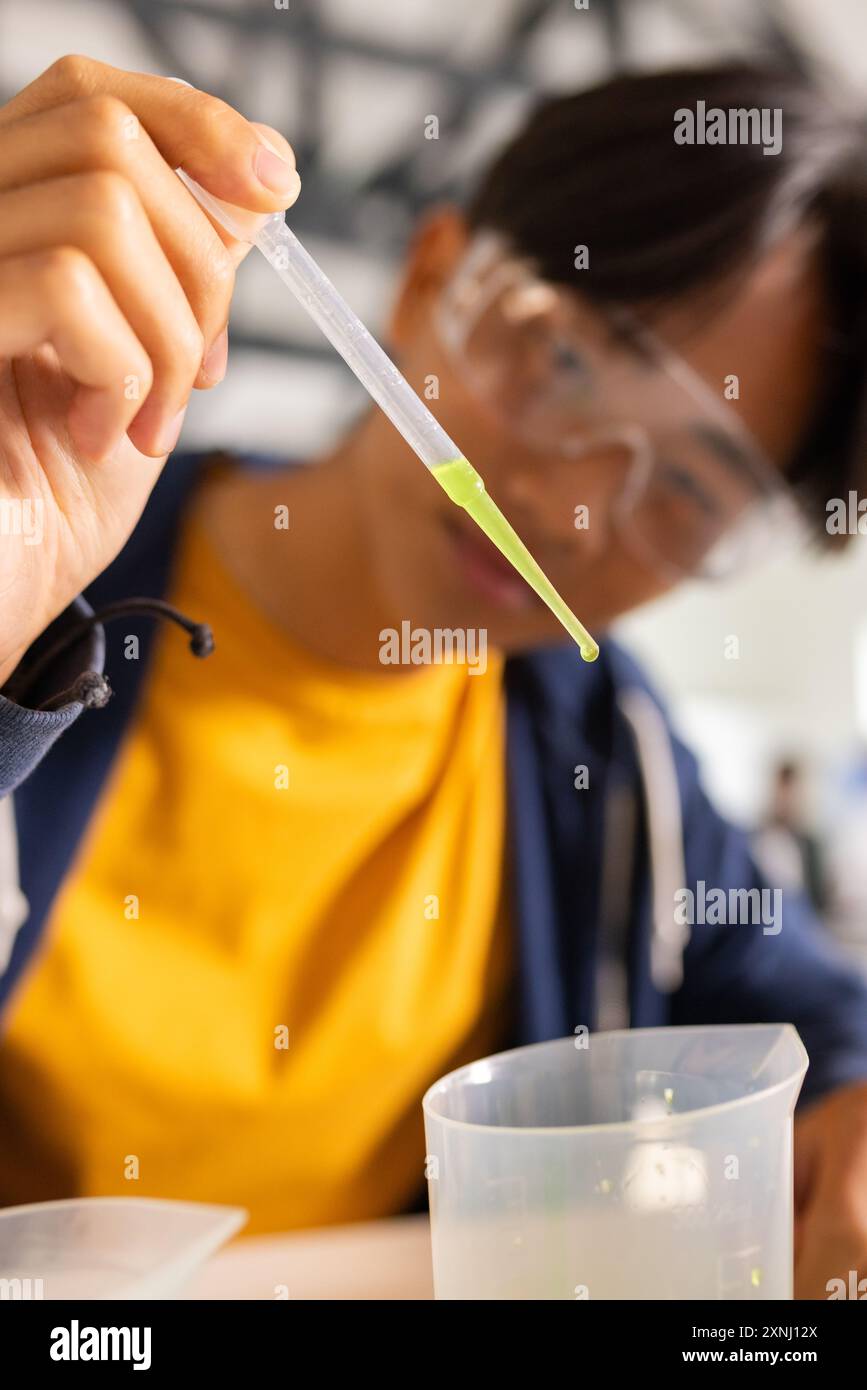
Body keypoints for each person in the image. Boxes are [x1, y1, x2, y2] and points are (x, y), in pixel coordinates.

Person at [0, 56, 866, 1299]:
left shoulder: (606, 761)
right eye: (564, 361)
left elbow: (797, 998)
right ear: (427, 281)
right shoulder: (46, 558)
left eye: (686, 488)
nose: (570, 508)